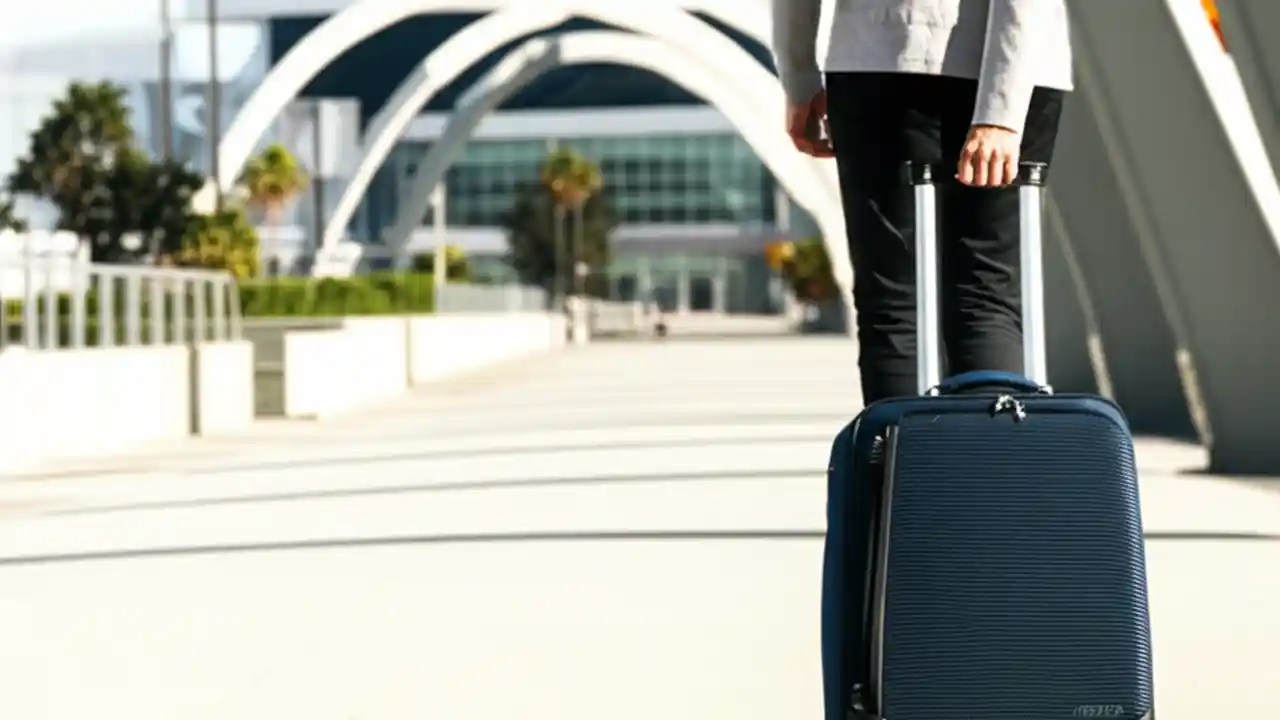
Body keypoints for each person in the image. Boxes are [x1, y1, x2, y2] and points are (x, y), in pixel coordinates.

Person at [772, 0, 1074, 403]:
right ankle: (991, 459)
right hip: (1020, 59)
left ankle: (902, 461)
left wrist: (799, 75)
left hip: (881, 52)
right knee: (985, 295)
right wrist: (1001, 108)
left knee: (893, 305)